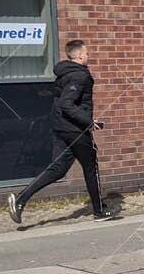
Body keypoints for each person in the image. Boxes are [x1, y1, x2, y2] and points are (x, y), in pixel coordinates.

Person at [7, 38, 109, 225]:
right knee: (90, 165)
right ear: (78, 55)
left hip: (61, 128)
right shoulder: (80, 76)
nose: (88, 55)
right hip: (75, 129)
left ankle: (20, 200)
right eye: (87, 53)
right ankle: (99, 210)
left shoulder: (64, 73)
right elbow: (67, 104)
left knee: (58, 169)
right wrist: (89, 121)